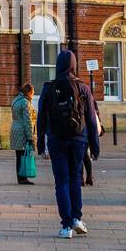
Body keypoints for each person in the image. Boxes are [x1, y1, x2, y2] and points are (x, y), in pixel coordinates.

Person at [37, 49, 101, 239]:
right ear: (74, 64)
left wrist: (41, 143)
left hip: (56, 139)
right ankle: (77, 219)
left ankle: (66, 226)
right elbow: (91, 118)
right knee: (75, 179)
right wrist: (94, 146)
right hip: (78, 139)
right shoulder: (83, 88)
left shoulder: (49, 87)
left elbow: (41, 118)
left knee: (61, 182)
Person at [10, 82, 37, 184]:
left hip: (15, 128)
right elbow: (28, 121)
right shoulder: (25, 102)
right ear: (28, 92)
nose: (33, 95)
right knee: (23, 155)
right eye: (33, 93)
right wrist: (30, 137)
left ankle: (20, 177)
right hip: (22, 131)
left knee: (19, 155)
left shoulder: (16, 100)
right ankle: (23, 178)